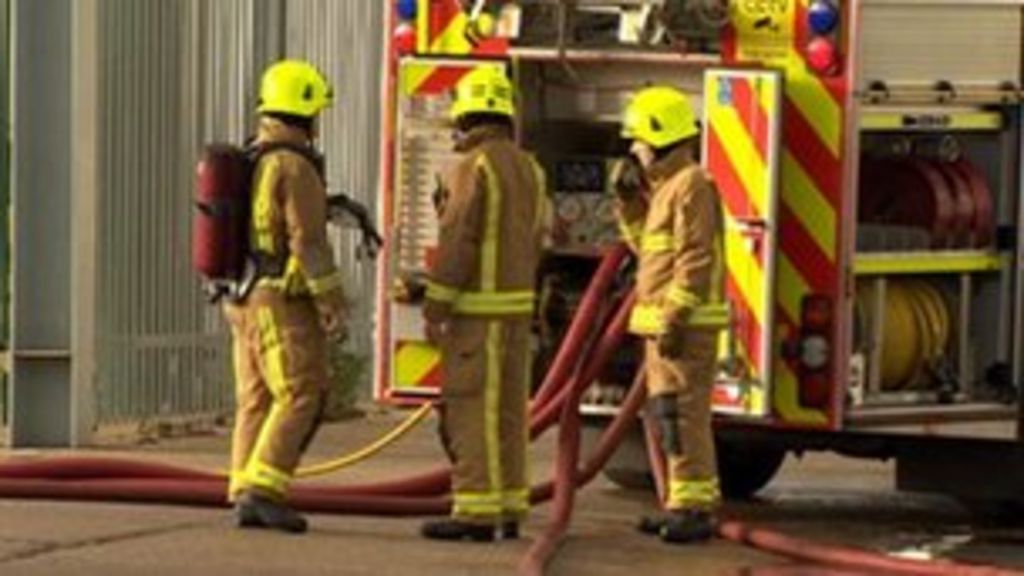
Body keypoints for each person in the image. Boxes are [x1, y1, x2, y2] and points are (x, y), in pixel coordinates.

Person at [421, 66, 551, 542]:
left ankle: (475, 509)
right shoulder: (531, 169)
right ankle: (510, 506)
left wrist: (435, 307)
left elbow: (459, 242)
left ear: (467, 115)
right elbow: (540, 239)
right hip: (517, 315)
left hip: (477, 318)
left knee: (471, 410)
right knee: (511, 415)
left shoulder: (472, 167)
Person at [224, 59, 347, 534]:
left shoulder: (253, 159)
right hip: (279, 300)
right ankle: (264, 491)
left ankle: (243, 486)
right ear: (308, 111)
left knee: (255, 397)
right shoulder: (295, 166)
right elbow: (308, 243)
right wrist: (332, 303)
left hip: (242, 296)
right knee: (301, 392)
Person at [613, 85, 728, 544]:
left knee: (683, 415)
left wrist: (676, 316)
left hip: (683, 326)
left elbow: (696, 256)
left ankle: (695, 508)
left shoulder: (693, 185)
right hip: (663, 324)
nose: (634, 150)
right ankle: (682, 501)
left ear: (660, 138)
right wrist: (627, 204)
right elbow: (647, 250)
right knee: (669, 416)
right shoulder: (664, 190)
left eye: (638, 141)